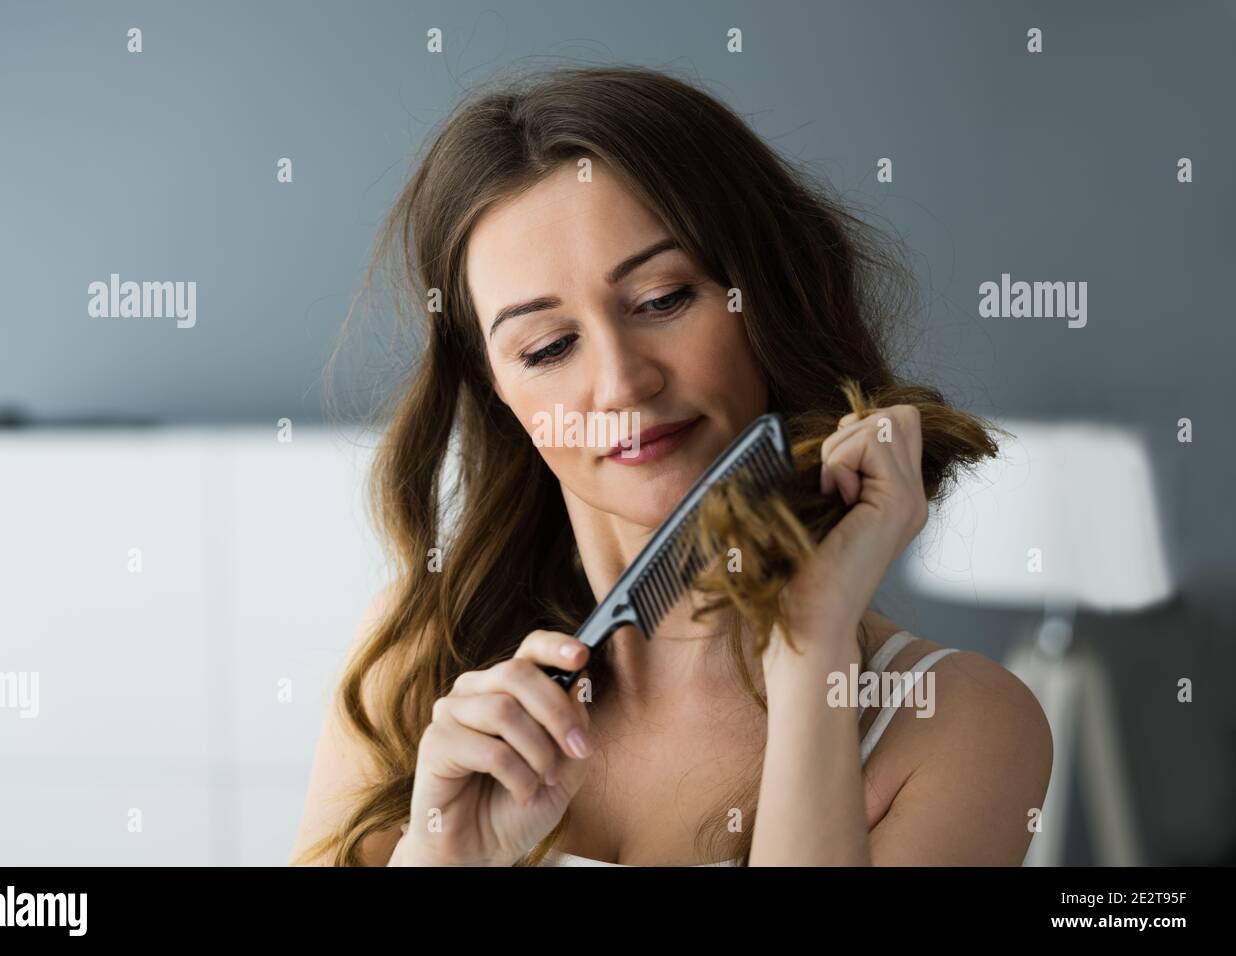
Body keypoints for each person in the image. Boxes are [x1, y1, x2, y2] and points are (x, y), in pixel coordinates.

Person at [290, 65, 1052, 867]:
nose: (622, 382)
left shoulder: (958, 723)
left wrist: (809, 653)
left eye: (662, 300)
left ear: (762, 295)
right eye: (547, 348)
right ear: (499, 393)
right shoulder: (414, 662)